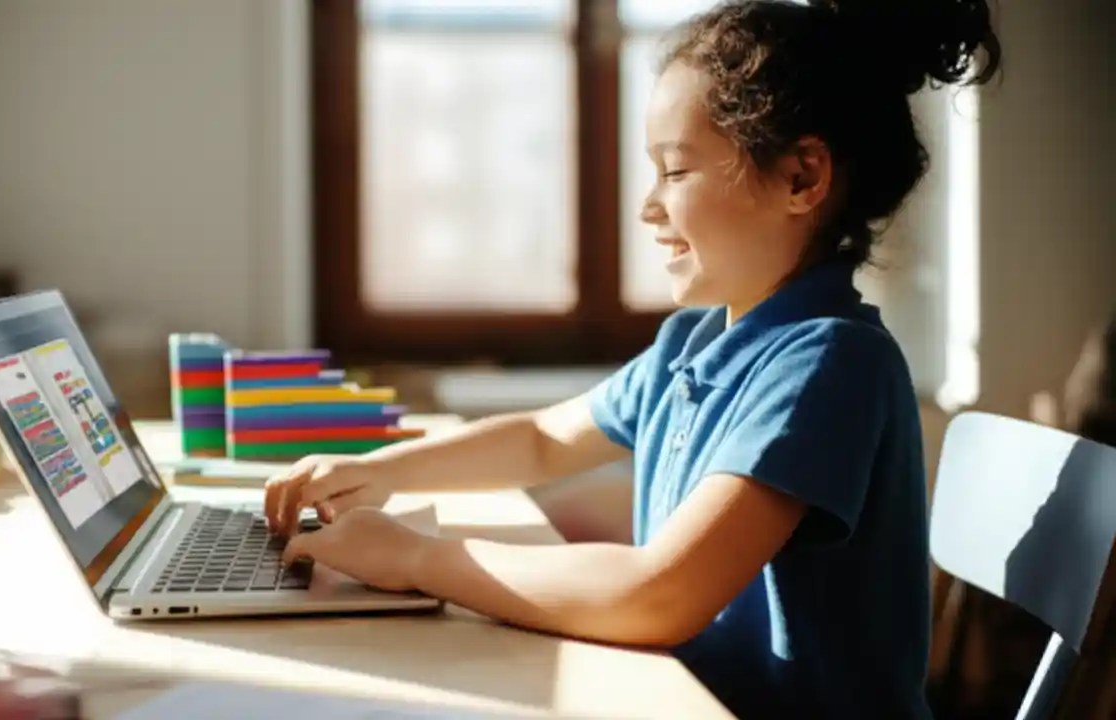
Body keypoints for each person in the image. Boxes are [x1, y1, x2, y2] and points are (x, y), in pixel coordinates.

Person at [265, 1, 1000, 716]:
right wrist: (375, 471)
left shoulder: (831, 364)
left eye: (675, 172)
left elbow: (660, 594)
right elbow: (544, 439)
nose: (649, 207)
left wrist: (419, 560)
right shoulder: (695, 341)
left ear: (802, 178)